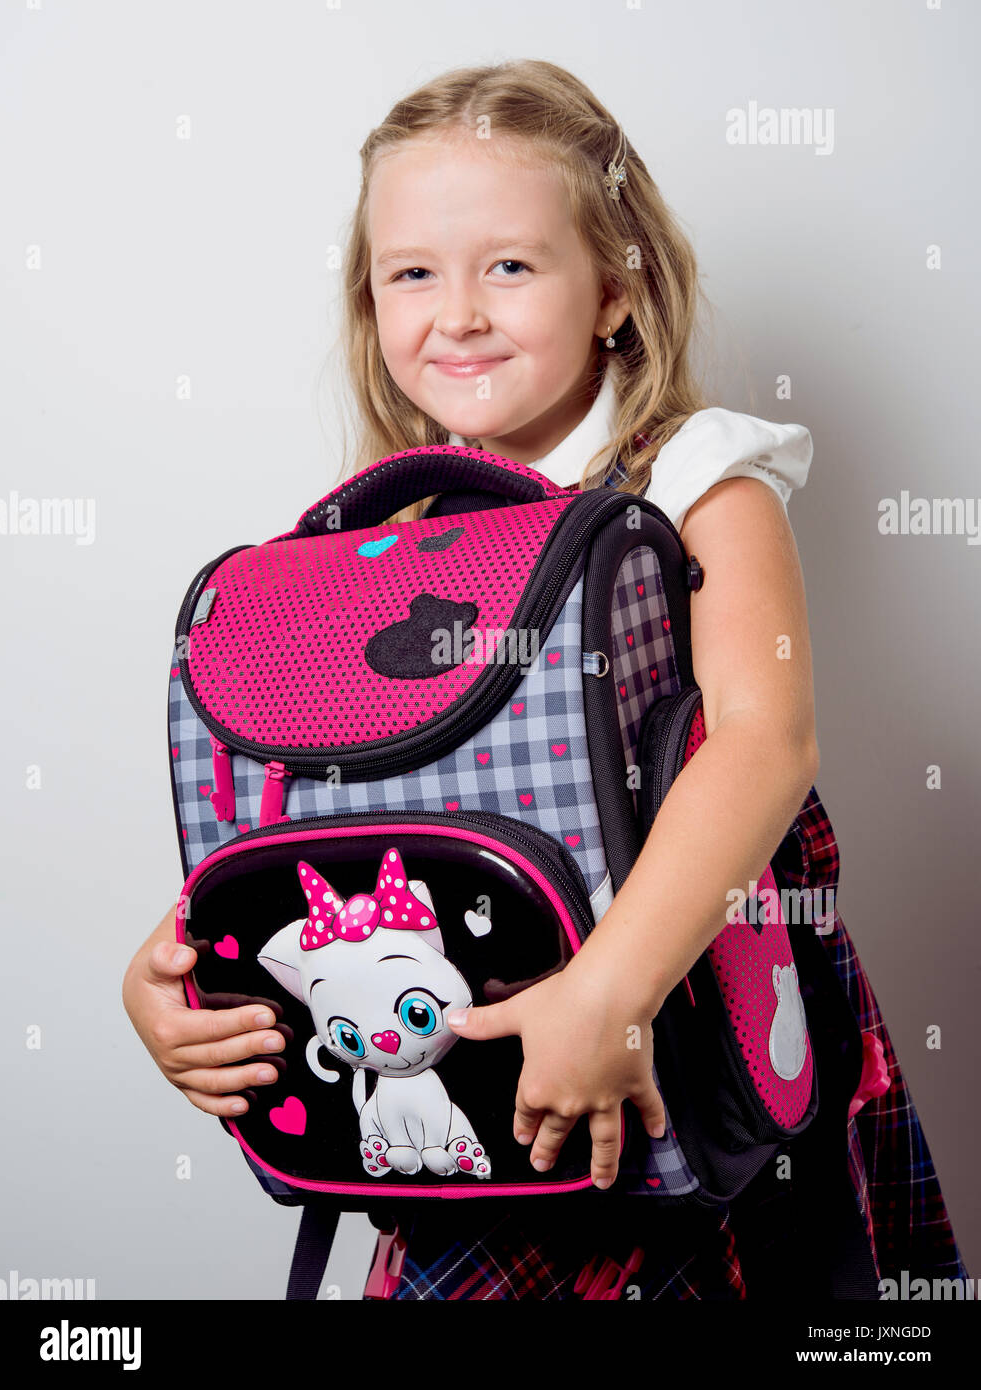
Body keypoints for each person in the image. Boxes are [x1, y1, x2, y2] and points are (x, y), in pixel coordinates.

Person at [122, 58, 968, 1300]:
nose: (455, 313)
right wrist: (179, 967)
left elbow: (762, 740)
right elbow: (333, 815)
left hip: (685, 1032)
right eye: (412, 273)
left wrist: (608, 990)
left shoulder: (692, 474)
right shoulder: (385, 531)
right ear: (370, 303)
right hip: (465, 1079)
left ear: (614, 288)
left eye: (508, 266)